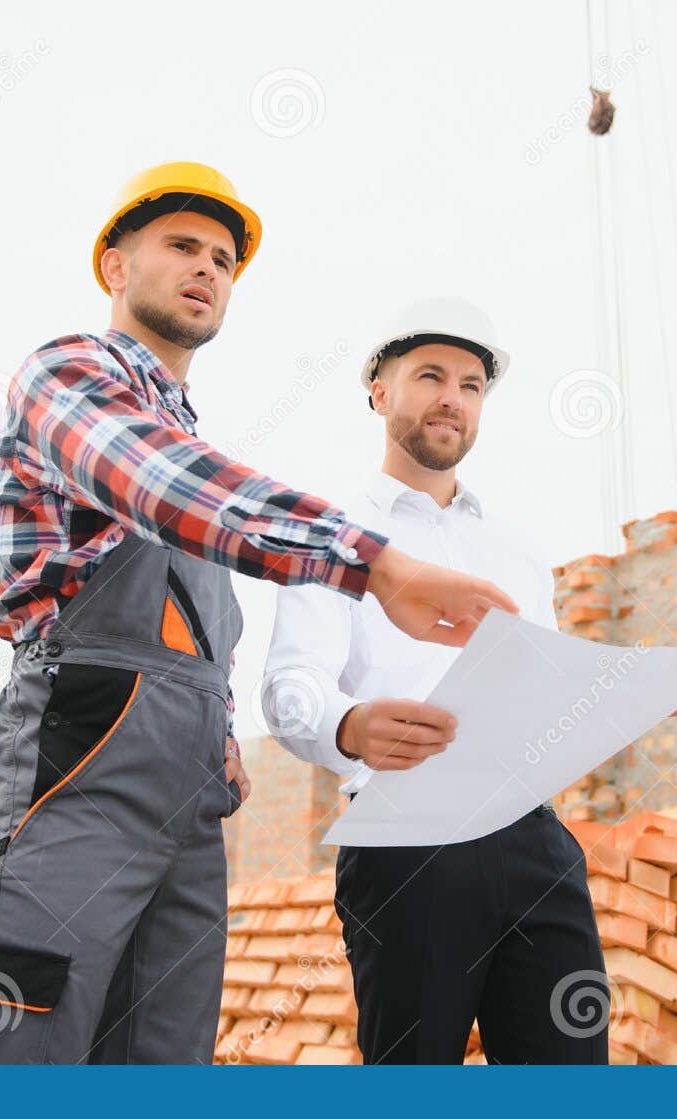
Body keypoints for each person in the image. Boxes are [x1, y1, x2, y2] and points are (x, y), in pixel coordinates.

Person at [0, 165, 517, 1065]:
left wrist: (221, 733)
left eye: (223, 258)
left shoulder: (194, 441)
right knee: (15, 1059)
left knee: (162, 1069)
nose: (208, 267)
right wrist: (377, 562)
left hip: (187, 806)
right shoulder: (69, 374)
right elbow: (166, 485)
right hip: (72, 777)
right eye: (181, 246)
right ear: (115, 266)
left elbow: (197, 616)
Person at [261, 299, 608, 1064]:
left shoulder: (517, 552)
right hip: (406, 838)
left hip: (533, 839)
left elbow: (546, 695)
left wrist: (621, 695)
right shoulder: (336, 535)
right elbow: (290, 684)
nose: (454, 396)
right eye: (430, 375)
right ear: (378, 391)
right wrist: (348, 726)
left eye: (472, 383)